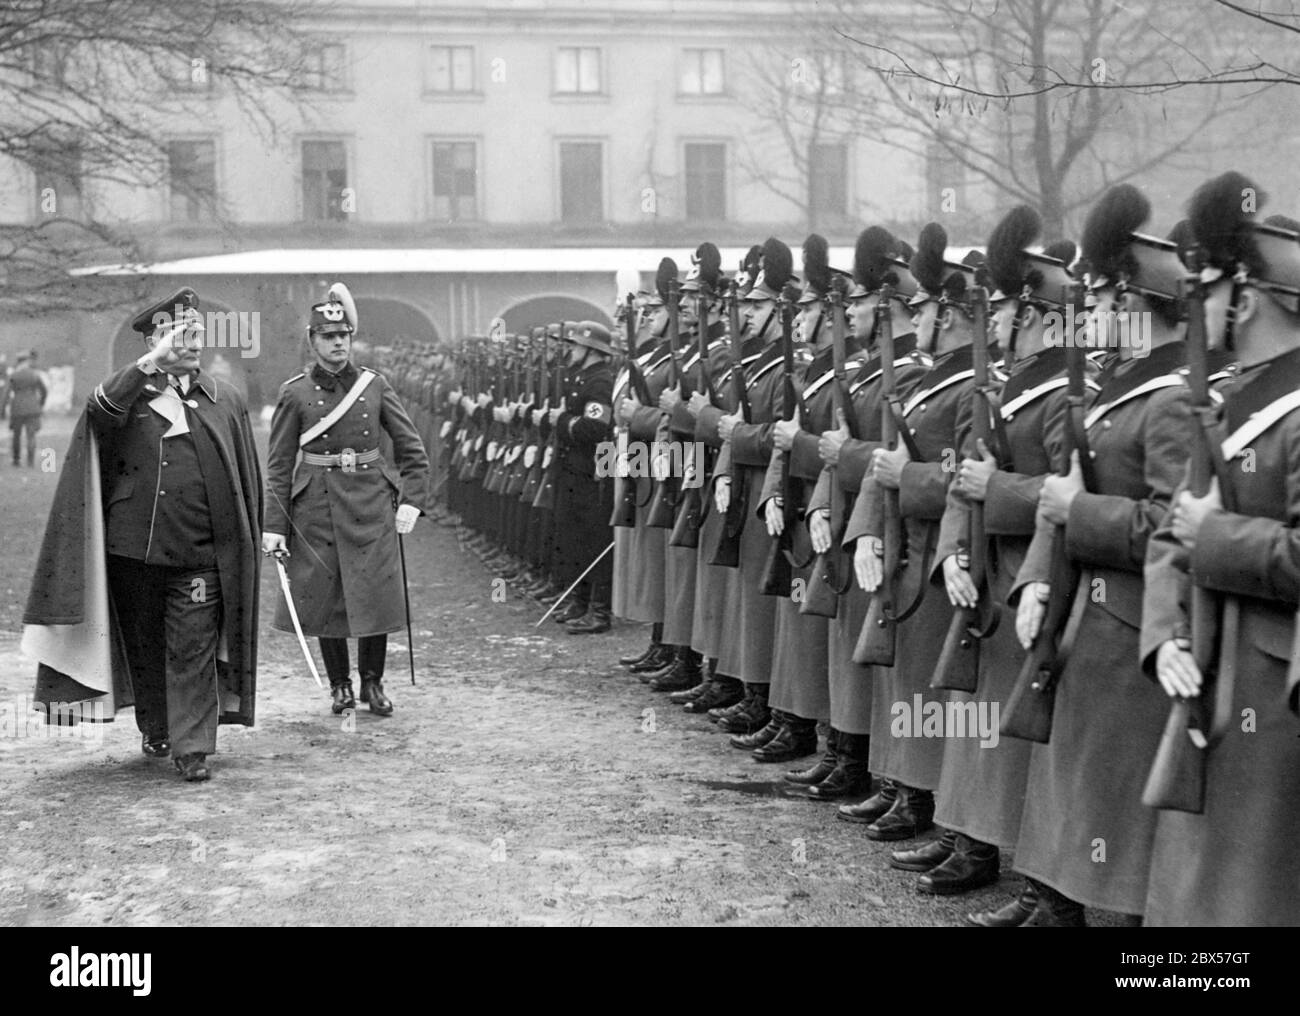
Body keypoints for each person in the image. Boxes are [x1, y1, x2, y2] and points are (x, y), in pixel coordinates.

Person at [1141, 172, 1300, 926]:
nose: (1193, 312)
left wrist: (1217, 537)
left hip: (1274, 683)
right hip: (1204, 661)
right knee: (1193, 878)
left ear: (1246, 295)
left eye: (1204, 291)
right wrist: (1165, 631)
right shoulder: (1225, 399)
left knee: (1251, 883)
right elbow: (1173, 531)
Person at [23, 288, 262, 782]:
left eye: (197, 333)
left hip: (200, 555)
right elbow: (98, 410)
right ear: (155, 341)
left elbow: (243, 478)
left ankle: (192, 747)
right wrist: (147, 366)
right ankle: (156, 726)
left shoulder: (224, 398)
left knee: (192, 647)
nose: (192, 342)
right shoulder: (128, 396)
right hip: (133, 553)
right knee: (147, 646)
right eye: (179, 334)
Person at [263, 284, 430, 716]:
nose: (337, 343)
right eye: (327, 336)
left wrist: (411, 500)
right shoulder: (295, 392)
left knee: (374, 592)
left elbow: (413, 450)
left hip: (371, 506)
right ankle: (340, 685)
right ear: (313, 341)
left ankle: (372, 682)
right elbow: (279, 466)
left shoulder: (375, 386)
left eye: (343, 336)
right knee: (324, 595)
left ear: (351, 338)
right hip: (316, 508)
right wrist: (274, 526)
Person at [548, 320, 617, 633]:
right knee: (576, 538)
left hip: (592, 471)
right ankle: (580, 600)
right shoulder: (583, 377)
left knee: (593, 539)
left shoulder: (600, 381)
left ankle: (599, 611)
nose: (570, 350)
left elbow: (594, 428)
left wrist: (561, 420)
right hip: (575, 469)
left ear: (590, 349)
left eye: (575, 345)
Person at [7, 350, 47, 467]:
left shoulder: (14, 375)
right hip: (33, 408)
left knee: (16, 435)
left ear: (18, 362)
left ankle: (16, 460)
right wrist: (40, 404)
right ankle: (30, 462)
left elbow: (5, 394)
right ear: (27, 362)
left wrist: (2, 410)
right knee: (31, 435)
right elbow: (44, 391)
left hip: (17, 408)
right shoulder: (34, 374)